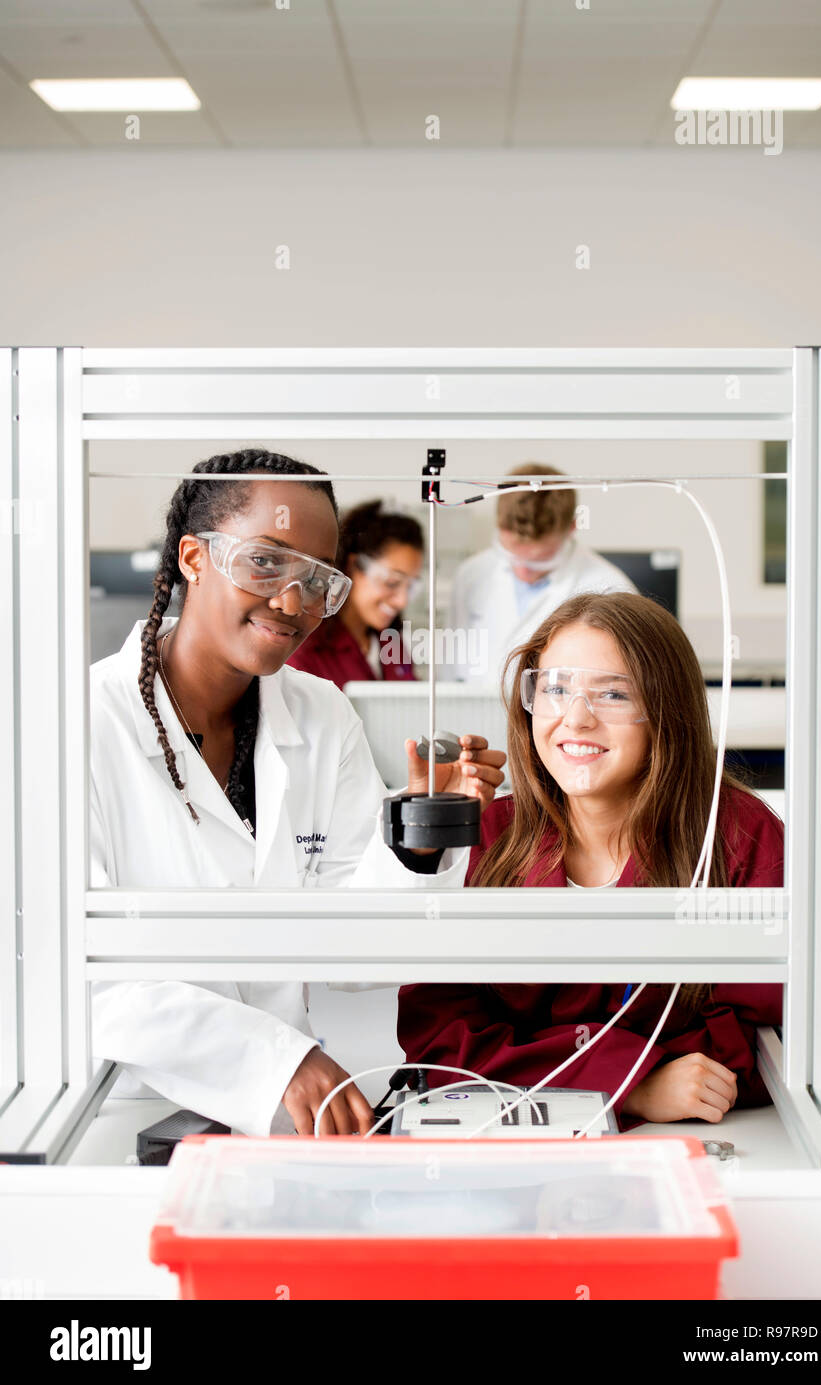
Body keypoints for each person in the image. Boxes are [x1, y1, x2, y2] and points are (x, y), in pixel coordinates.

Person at [89, 450, 505, 1138]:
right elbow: (84, 980)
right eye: (266, 561)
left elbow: (351, 952)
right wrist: (278, 1062)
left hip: (294, 1116)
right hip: (120, 1110)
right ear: (194, 557)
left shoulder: (321, 714)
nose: (293, 601)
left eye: (317, 578)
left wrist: (417, 841)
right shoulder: (83, 723)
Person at [398, 591, 784, 1129]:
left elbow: (765, 1030)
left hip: (690, 1146)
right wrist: (629, 1081)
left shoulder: (740, 836)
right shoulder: (488, 832)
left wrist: (542, 1060)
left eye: (612, 694)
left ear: (667, 710)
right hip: (507, 1140)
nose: (575, 719)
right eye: (554, 689)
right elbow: (440, 1031)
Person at [446, 463, 637, 682]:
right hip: (471, 713)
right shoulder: (471, 574)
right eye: (511, 555)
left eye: (540, 561)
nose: (523, 570)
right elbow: (449, 675)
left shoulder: (610, 587)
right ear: (499, 527)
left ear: (572, 528)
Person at [287, 499, 422, 689]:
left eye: (410, 587)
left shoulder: (392, 643)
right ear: (353, 567)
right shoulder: (306, 651)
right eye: (392, 583)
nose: (402, 601)